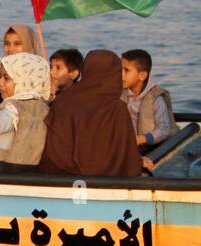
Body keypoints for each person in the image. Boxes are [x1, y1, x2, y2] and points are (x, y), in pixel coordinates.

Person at [40, 49, 141, 178]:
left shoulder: (63, 101)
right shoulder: (117, 108)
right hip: (108, 181)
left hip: (62, 177)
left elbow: (53, 152)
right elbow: (127, 156)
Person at [121, 49, 178, 154]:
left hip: (150, 148)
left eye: (126, 70)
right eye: (120, 70)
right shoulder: (120, 93)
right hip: (125, 146)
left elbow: (164, 130)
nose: (121, 75)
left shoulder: (155, 99)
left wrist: (139, 139)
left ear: (142, 75)